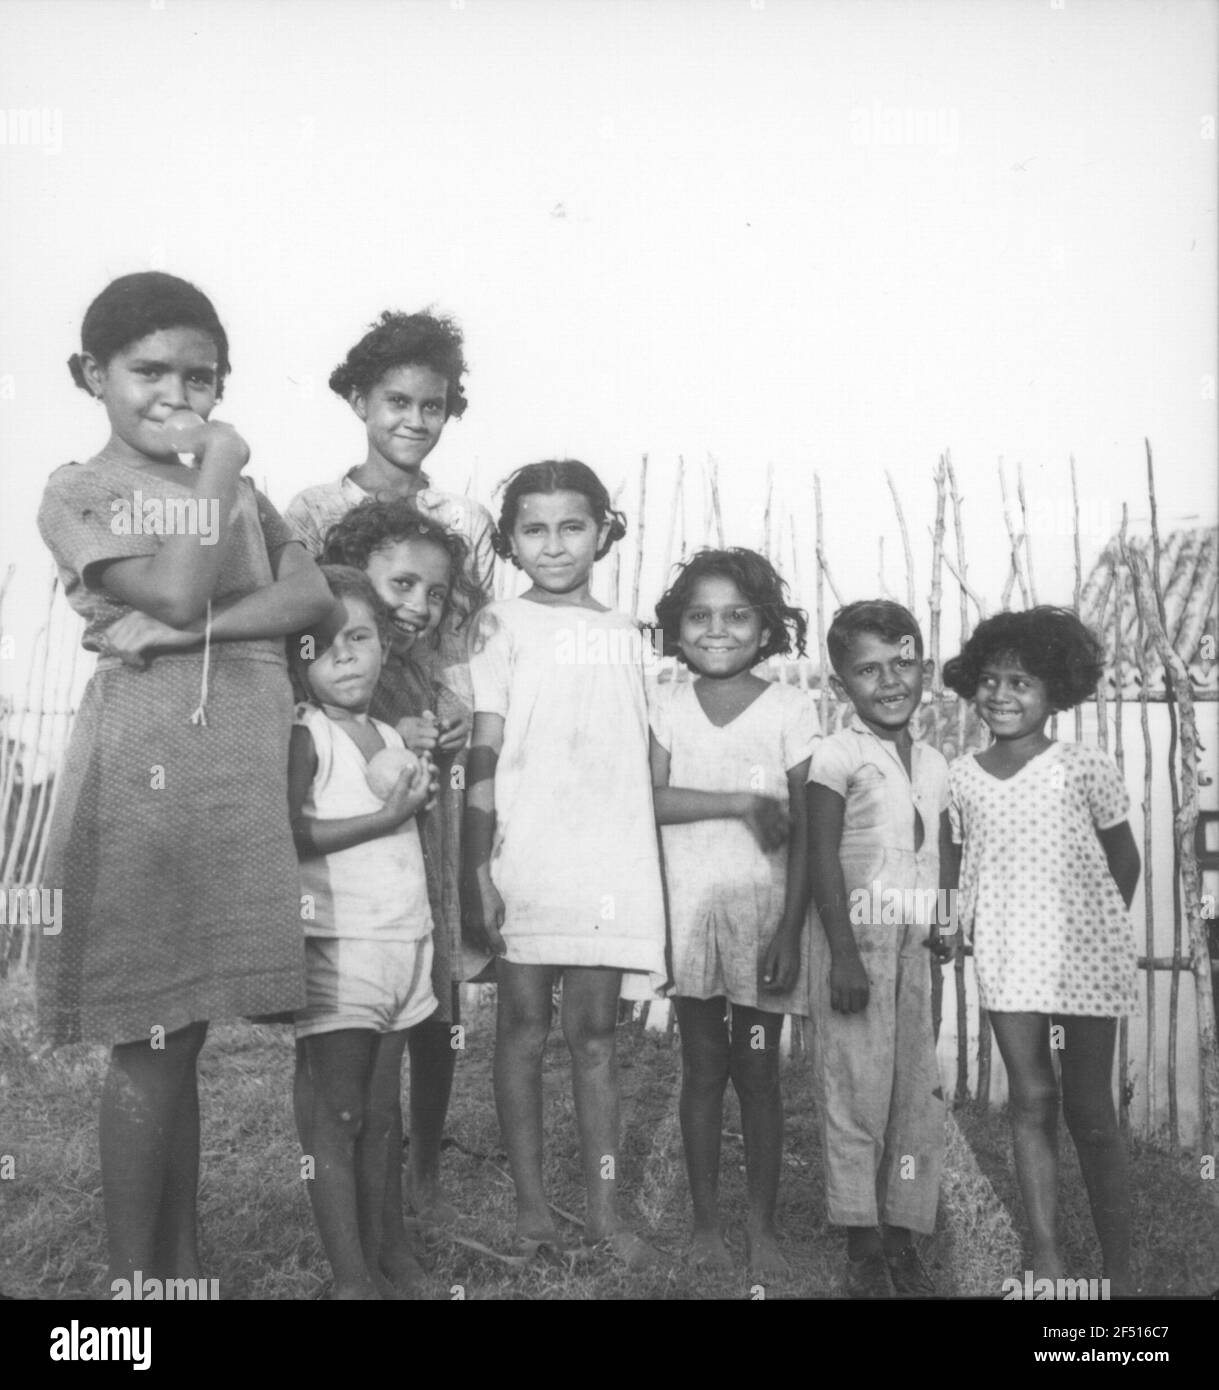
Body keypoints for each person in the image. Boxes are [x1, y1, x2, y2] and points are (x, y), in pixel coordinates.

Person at [36, 271, 335, 1292]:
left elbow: (314, 598)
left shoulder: (237, 495)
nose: (175, 393)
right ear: (92, 375)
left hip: (234, 774)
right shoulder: (82, 487)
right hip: (147, 778)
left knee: (188, 1027)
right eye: (148, 370)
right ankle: (135, 1292)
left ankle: (183, 1268)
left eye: (199, 376)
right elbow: (169, 578)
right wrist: (223, 460)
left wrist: (191, 627)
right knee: (148, 1033)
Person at [285, 310, 494, 1227]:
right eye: (397, 400)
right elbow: (301, 639)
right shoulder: (312, 513)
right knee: (344, 972)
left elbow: (460, 644)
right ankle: (336, 1159)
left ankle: (419, 1169)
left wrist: (444, 719)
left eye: (434, 405)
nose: (414, 419)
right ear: (359, 399)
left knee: (434, 956)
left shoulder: (462, 520)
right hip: (346, 752)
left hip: (431, 757)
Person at [463, 460, 666, 1267]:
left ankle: (606, 1216)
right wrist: (478, 867)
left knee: (594, 1037)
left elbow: (643, 755)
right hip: (527, 857)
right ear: (510, 541)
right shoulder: (495, 626)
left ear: (604, 531)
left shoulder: (625, 635)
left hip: (607, 862)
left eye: (571, 526)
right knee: (520, 1030)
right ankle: (530, 1210)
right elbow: (484, 748)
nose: (554, 544)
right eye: (535, 529)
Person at [944, 607, 1139, 1295]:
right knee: (1030, 1098)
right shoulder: (962, 777)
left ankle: (1120, 1263)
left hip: (1083, 958)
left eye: (1020, 682)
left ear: (1055, 690)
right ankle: (1047, 1254)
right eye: (989, 680)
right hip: (1005, 956)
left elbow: (1123, 860)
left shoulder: (1084, 763)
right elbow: (956, 864)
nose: (1000, 695)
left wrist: (1093, 931)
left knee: (1089, 1108)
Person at [650, 548, 819, 1278]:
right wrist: (739, 803)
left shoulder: (789, 706)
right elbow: (646, 798)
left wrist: (790, 928)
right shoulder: (663, 703)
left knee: (757, 1074)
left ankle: (761, 1226)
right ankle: (704, 1225)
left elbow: (809, 824)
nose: (717, 630)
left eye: (736, 615)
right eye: (699, 616)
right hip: (688, 914)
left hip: (763, 918)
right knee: (700, 1070)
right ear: (676, 629)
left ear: (766, 628)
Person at [319, 498, 485, 1224]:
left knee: (436, 1011)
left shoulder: (426, 671)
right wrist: (396, 733)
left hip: (427, 875)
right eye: (402, 585)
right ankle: (370, 1184)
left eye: (437, 592)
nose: (419, 605)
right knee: (369, 1051)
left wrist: (451, 722)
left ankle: (422, 1168)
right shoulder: (339, 663)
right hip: (365, 892)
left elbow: (453, 725)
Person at [289, 565, 437, 1299]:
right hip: (339, 950)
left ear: (384, 645)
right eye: (320, 645)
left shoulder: (385, 733)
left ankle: (390, 1249)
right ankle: (352, 1278)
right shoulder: (305, 734)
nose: (344, 655)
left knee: (382, 1114)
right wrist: (386, 817)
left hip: (402, 945)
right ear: (296, 658)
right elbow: (291, 830)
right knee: (340, 1111)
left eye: (359, 637)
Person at [807, 600, 956, 1297]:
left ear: (921, 666)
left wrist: (945, 919)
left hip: (916, 939)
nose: (889, 681)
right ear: (842, 686)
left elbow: (941, 845)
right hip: (856, 939)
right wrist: (841, 954)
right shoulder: (837, 755)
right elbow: (819, 857)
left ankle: (901, 1233)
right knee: (856, 1089)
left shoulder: (932, 760)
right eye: (868, 670)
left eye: (902, 663)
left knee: (914, 1093)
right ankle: (861, 1243)